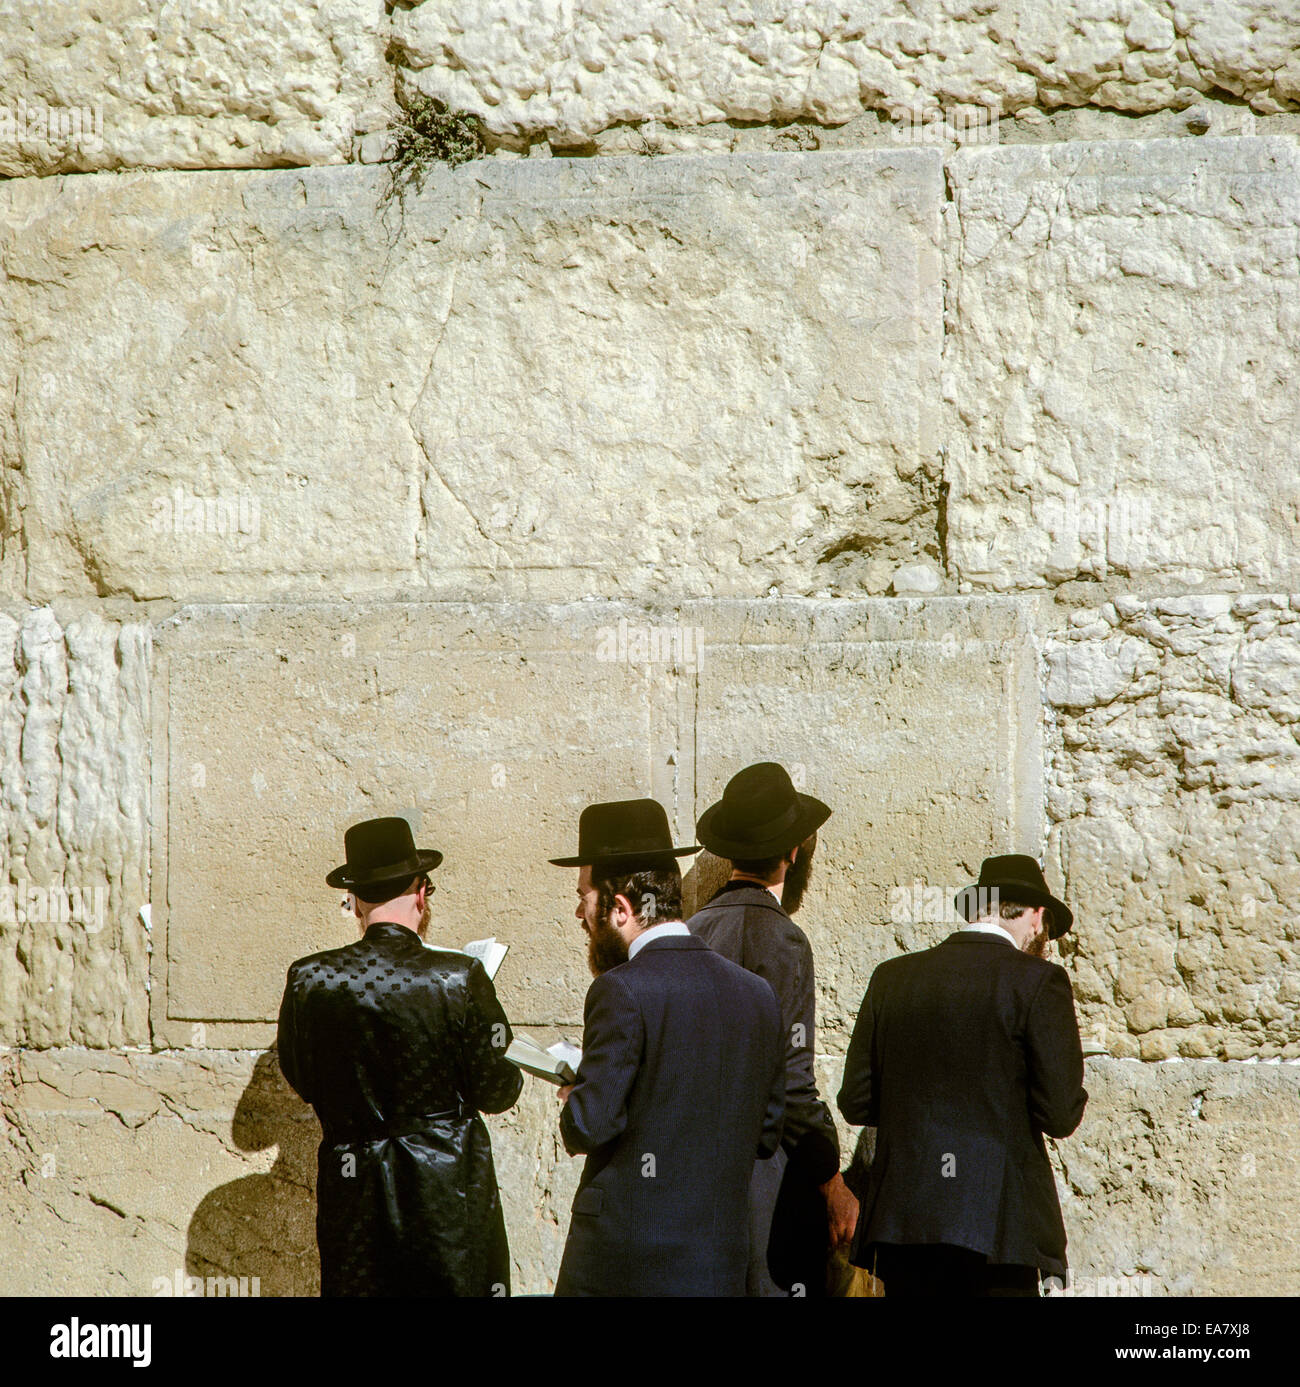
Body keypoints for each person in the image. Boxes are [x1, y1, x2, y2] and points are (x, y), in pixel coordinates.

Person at [277, 816, 523, 1296]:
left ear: (356, 901)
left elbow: (303, 1077)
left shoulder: (309, 979)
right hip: (447, 1197)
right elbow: (498, 1089)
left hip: (355, 1196)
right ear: (420, 891)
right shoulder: (460, 976)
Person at [549, 798, 786, 1296]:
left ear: (620, 908)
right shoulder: (757, 994)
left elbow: (590, 1125)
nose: (578, 914)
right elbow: (766, 1133)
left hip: (624, 1269)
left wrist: (576, 1098)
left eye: (584, 898)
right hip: (717, 1266)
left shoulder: (620, 989)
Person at [837, 854, 1088, 1297]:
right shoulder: (1038, 981)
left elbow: (857, 1102)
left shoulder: (892, 978)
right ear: (1036, 914)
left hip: (904, 1229)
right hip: (998, 1230)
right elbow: (1060, 1114)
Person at [688, 762, 857, 1296]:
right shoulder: (784, 940)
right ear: (792, 851)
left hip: (696, 1179)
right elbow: (792, 1080)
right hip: (767, 1183)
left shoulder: (691, 932)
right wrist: (830, 1175)